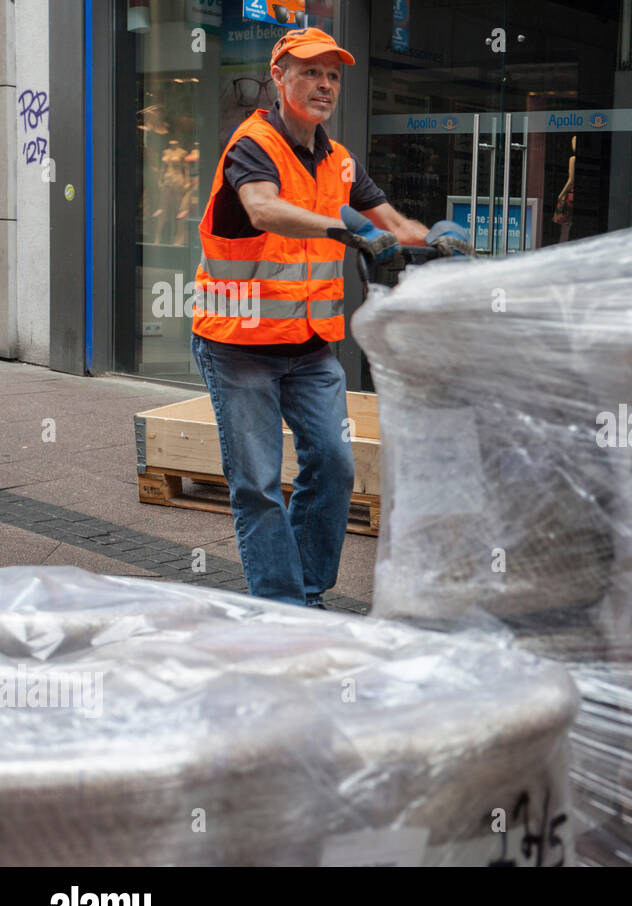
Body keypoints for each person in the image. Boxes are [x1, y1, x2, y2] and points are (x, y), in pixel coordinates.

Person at [189, 27, 427, 608]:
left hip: (310, 347)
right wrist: (347, 230)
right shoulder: (253, 143)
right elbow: (264, 207)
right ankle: (282, 605)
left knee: (335, 465)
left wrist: (433, 241)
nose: (324, 84)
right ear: (279, 77)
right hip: (238, 343)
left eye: (333, 75)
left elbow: (390, 221)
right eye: (310, 72)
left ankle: (309, 588)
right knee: (259, 486)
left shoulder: (339, 161)